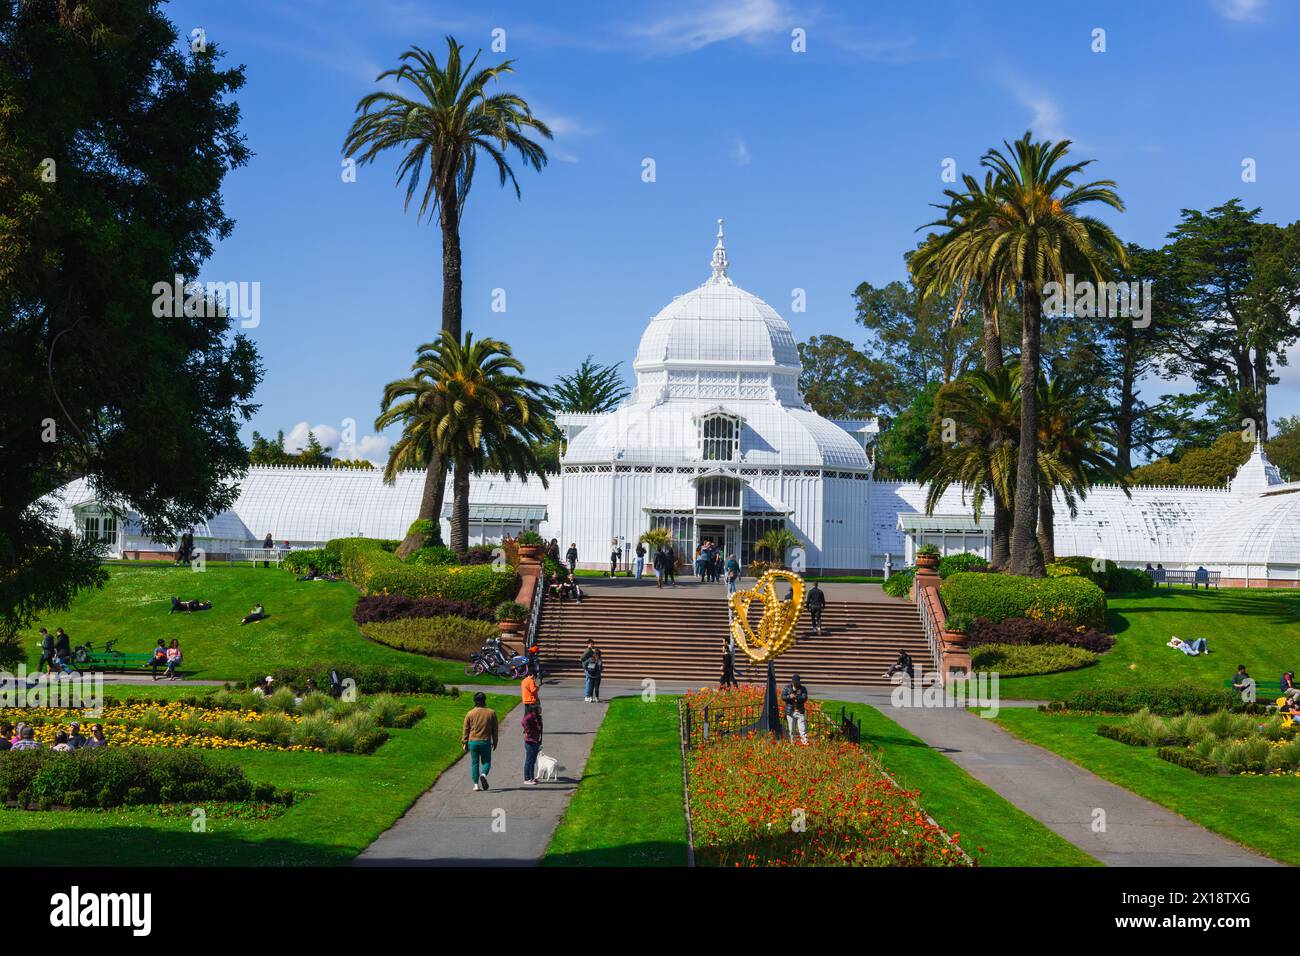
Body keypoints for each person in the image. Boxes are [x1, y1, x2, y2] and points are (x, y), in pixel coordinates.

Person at [461, 691, 498, 792]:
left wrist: (464, 742)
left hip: (473, 741)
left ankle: (476, 784)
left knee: (474, 763)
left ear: (475, 701)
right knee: (486, 762)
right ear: (484, 700)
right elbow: (495, 729)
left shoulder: (470, 713)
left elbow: (466, 729)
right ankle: (484, 774)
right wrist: (495, 741)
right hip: (485, 741)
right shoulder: (491, 713)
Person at [781, 674, 809, 745]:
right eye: (795, 682)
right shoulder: (786, 688)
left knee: (803, 730)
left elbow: (804, 698)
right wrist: (789, 696)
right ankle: (792, 744)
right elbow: (783, 697)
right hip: (790, 712)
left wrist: (797, 698)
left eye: (797, 682)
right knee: (791, 730)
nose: (796, 684)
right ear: (792, 682)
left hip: (800, 712)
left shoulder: (803, 689)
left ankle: (805, 744)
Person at [522, 703, 543, 786]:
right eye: (539, 707)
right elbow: (523, 721)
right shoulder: (530, 716)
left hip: (536, 741)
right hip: (530, 742)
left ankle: (532, 777)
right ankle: (527, 778)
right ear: (535, 709)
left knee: (533, 761)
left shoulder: (537, 716)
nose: (541, 708)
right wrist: (528, 732)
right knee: (529, 760)